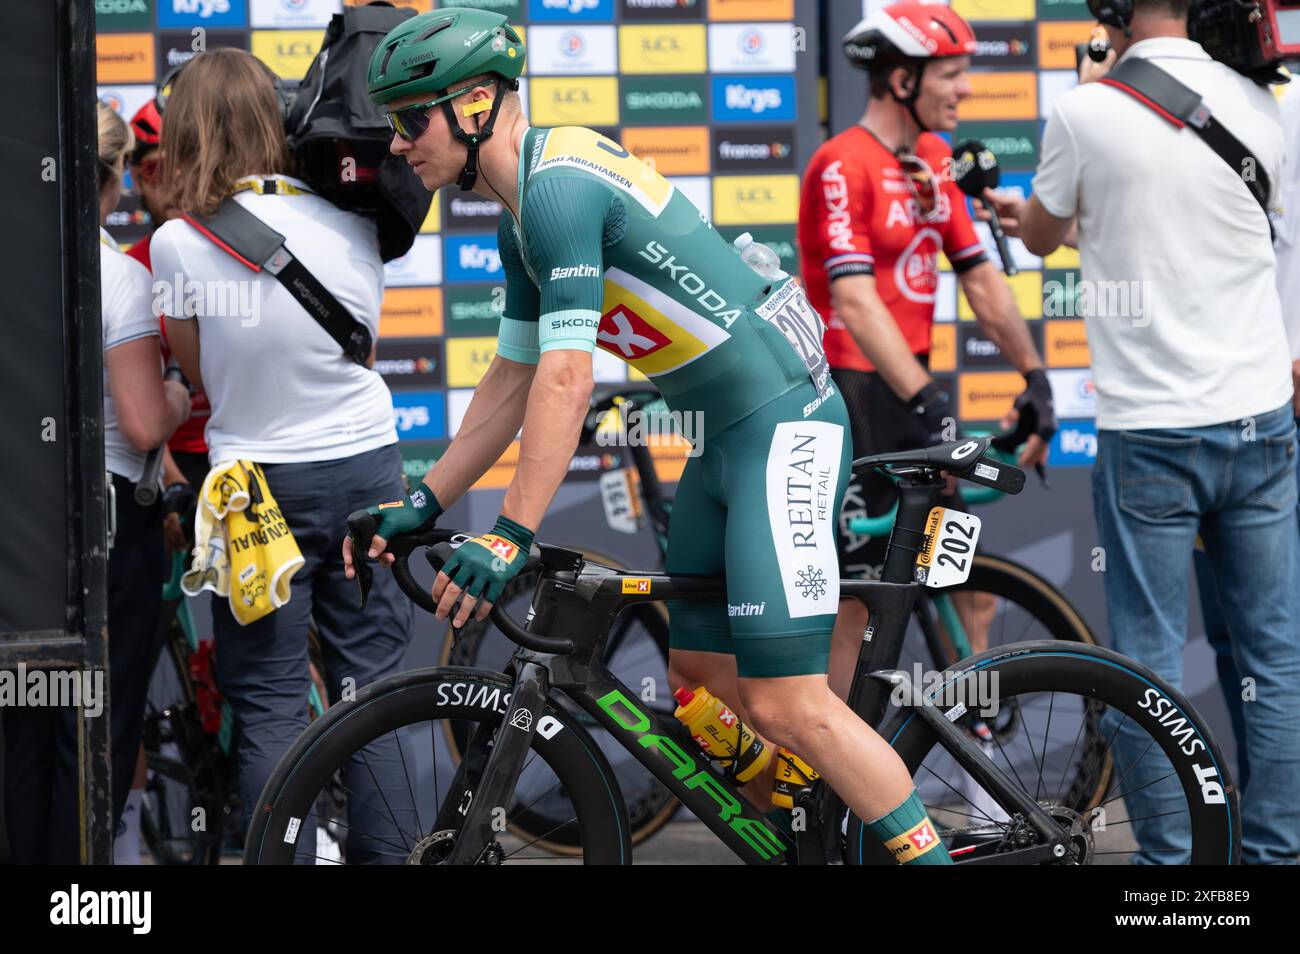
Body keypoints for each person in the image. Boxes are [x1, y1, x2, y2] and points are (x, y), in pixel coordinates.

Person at [347, 6, 952, 863]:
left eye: (410, 120)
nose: (399, 145)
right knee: (704, 683)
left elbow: (566, 376)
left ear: (476, 104)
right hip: (725, 441)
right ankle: (819, 833)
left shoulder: (556, 189)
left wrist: (512, 534)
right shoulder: (525, 213)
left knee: (787, 704)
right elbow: (515, 378)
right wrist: (425, 498)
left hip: (785, 428)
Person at [982, 0, 1300, 864]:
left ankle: (1177, 871)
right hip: (1258, 417)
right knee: (1275, 658)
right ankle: (1277, 858)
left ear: (1113, 16)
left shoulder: (1087, 110)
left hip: (1151, 432)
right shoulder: (1259, 102)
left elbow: (1044, 237)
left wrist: (1094, 90)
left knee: (1146, 666)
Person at [150, 49, 415, 863]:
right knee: (374, 692)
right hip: (368, 468)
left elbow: (199, 379)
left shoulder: (174, 245)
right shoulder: (358, 217)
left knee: (267, 705)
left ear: (187, 133)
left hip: (252, 488)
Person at [798, 1, 1057, 696]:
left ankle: (985, 765)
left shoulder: (939, 161)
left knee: (965, 581)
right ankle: (826, 786)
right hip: (852, 398)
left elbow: (982, 280)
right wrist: (930, 401)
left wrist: (1036, 376)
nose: (966, 88)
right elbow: (854, 301)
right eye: (953, 73)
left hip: (913, 393)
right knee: (855, 600)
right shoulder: (839, 163)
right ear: (903, 80)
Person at [3, 101, 190, 864]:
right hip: (108, 525)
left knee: (23, 726)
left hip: (20, 516)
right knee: (93, 730)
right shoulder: (117, 277)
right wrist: (178, 390)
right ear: (114, 180)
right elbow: (146, 426)